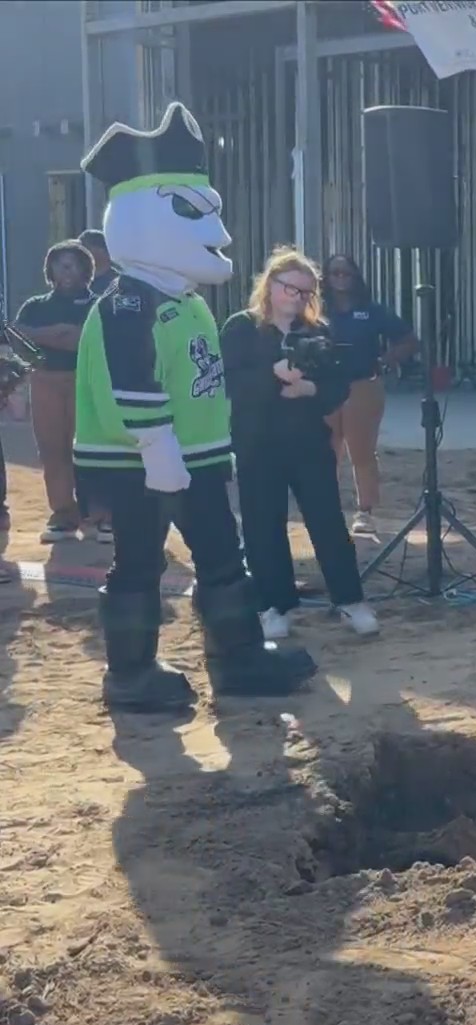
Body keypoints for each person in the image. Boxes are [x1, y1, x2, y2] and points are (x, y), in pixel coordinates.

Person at [75, 102, 316, 711]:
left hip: (198, 460)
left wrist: (212, 448)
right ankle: (129, 675)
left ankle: (236, 657)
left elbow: (197, 381)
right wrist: (157, 447)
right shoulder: (127, 304)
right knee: (137, 565)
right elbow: (134, 380)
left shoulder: (188, 302)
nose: (221, 235)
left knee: (221, 557)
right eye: (191, 211)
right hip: (142, 464)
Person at [221, 247, 378, 639]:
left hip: (308, 442)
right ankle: (275, 605)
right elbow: (229, 383)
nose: (297, 297)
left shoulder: (318, 331)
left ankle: (349, 600)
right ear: (270, 285)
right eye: (290, 288)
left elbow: (337, 386)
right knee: (262, 526)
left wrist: (310, 388)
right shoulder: (242, 328)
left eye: (306, 292)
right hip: (258, 443)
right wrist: (272, 376)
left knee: (327, 522)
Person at [12, 240, 110, 543]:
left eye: (73, 264)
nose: (65, 269)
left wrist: (46, 335)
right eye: (59, 263)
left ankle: (102, 514)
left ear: (86, 270)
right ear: (50, 269)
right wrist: (58, 333)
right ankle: (64, 514)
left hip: (88, 381)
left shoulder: (99, 305)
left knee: (93, 449)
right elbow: (18, 338)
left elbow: (84, 340)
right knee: (53, 449)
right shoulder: (35, 306)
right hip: (45, 381)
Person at [321, 253, 417, 536]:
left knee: (361, 451)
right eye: (334, 273)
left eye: (345, 273)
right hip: (323, 387)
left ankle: (365, 512)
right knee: (324, 451)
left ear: (355, 277)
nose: (340, 278)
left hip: (362, 385)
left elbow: (409, 340)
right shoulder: (316, 311)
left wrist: (387, 359)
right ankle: (327, 509)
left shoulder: (372, 311)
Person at [78, 228, 117, 297]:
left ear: (102, 250)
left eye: (85, 248)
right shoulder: (75, 282)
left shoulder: (118, 284)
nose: (79, 254)